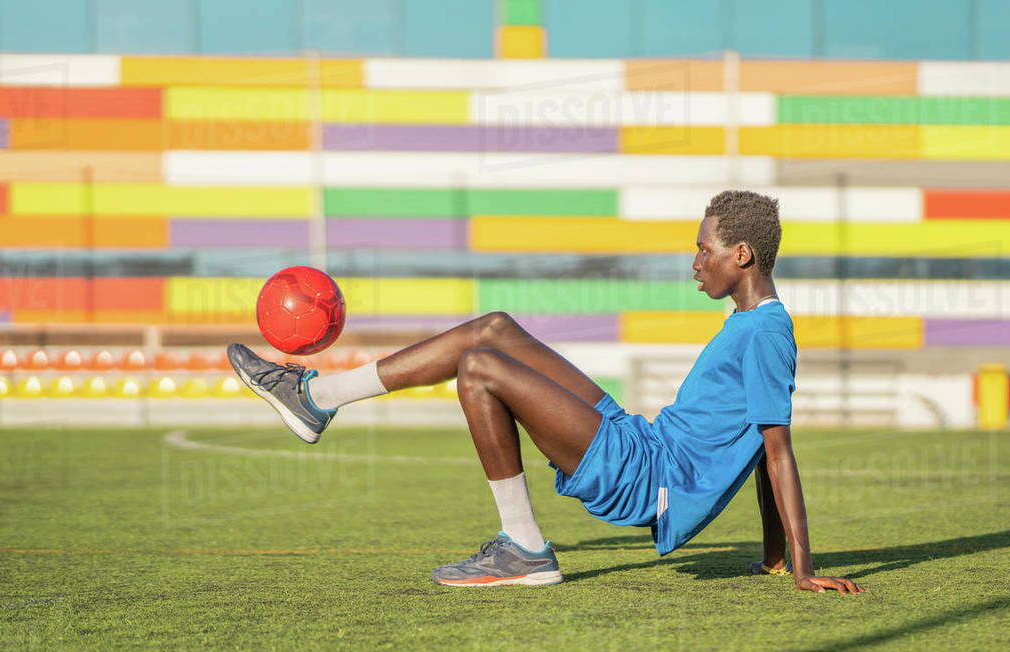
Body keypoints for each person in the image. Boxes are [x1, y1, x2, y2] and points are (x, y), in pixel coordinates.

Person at [227, 190, 863, 595]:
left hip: (646, 474)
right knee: (494, 330)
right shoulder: (752, 324)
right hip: (639, 440)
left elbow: (776, 450)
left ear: (742, 254)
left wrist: (800, 566)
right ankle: (318, 398)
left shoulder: (766, 333)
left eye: (704, 249)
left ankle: (525, 548)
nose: (695, 261)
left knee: (479, 367)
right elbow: (758, 443)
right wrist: (774, 558)